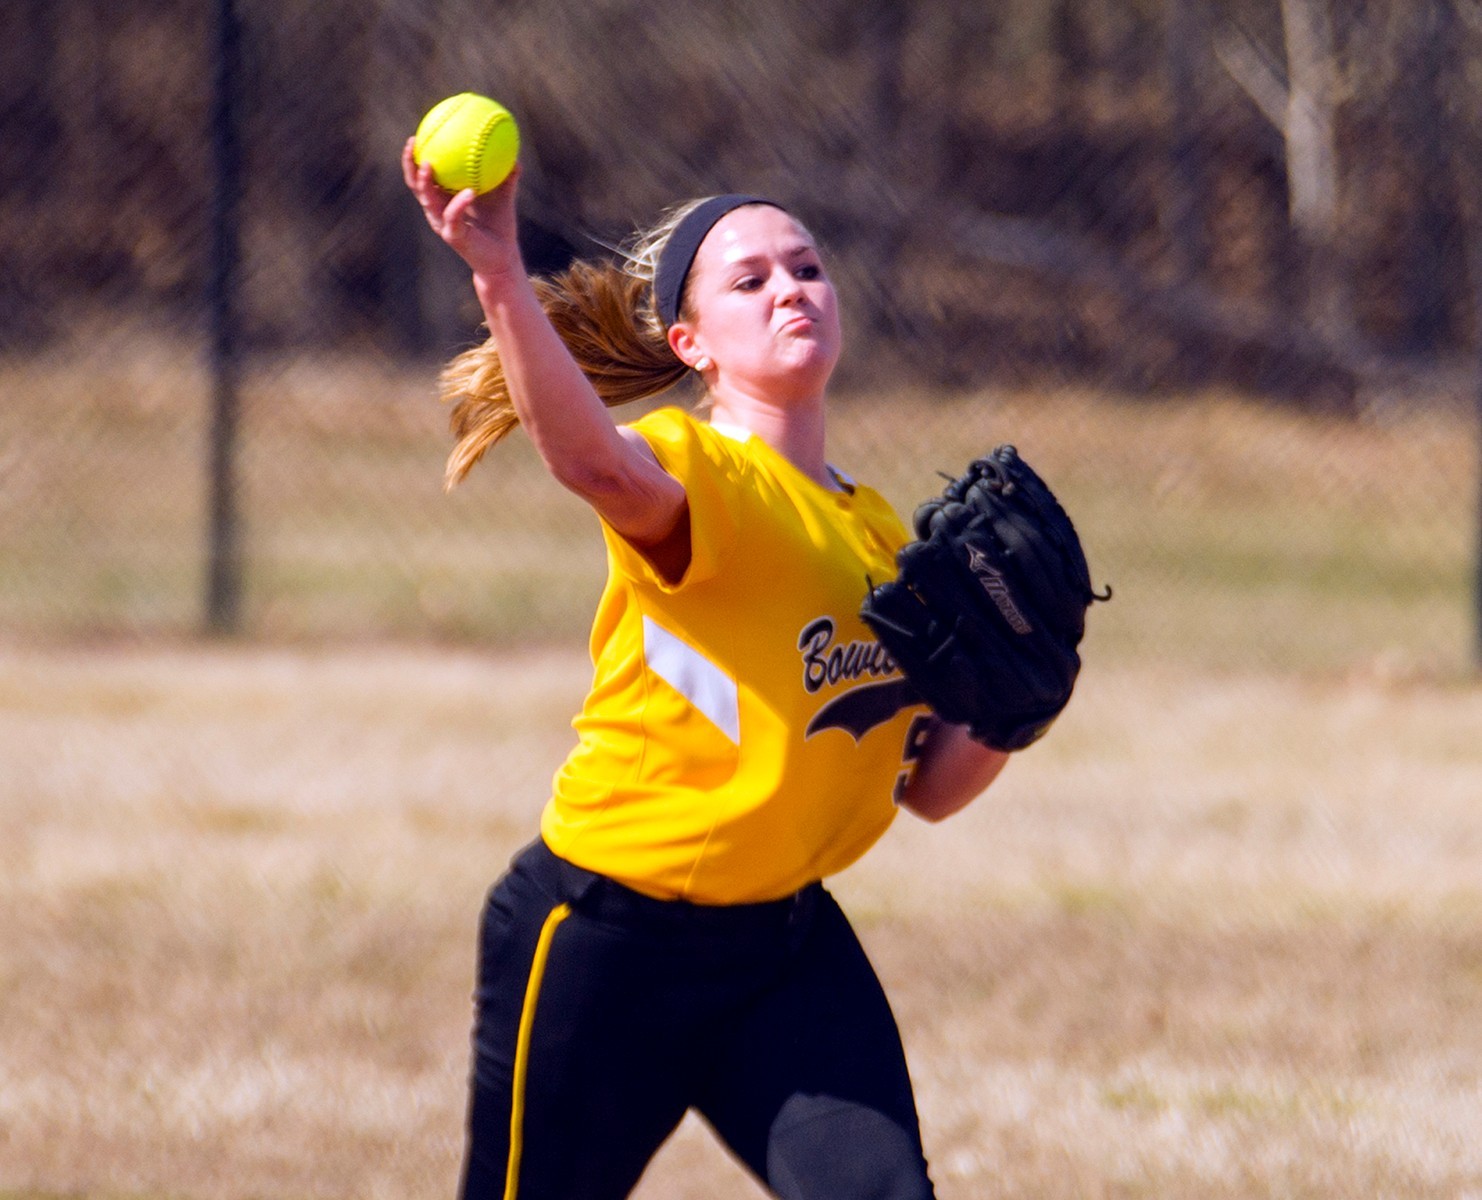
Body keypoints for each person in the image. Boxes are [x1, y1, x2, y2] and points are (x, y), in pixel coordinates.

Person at [404, 140, 1011, 1200]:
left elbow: (929, 790)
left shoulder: (876, 534)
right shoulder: (698, 471)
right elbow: (593, 461)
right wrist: (499, 271)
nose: (793, 288)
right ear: (694, 343)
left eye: (808, 267)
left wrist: (1017, 703)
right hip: (605, 942)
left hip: (781, 952)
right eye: (753, 278)